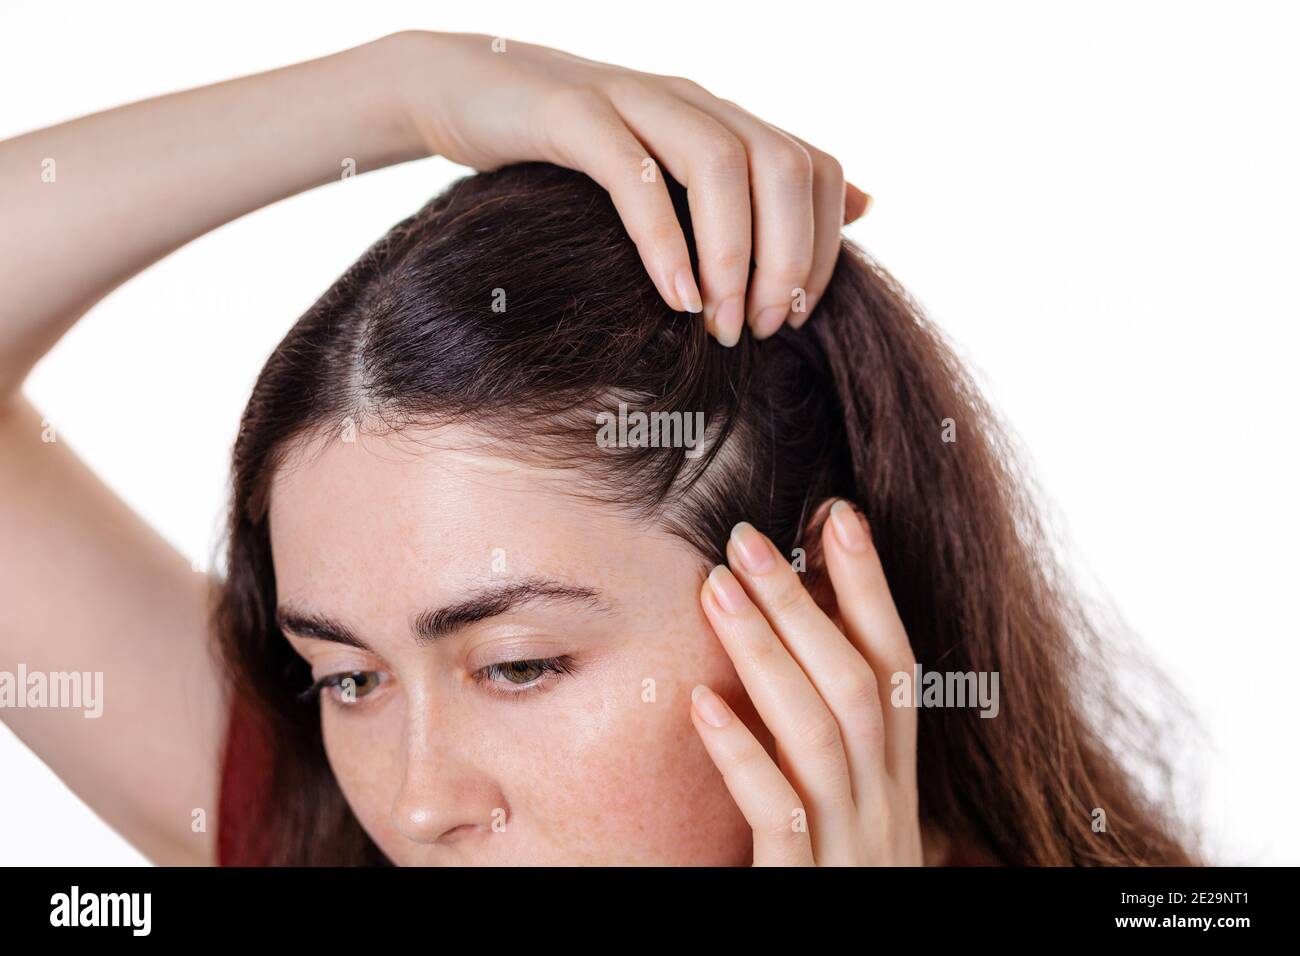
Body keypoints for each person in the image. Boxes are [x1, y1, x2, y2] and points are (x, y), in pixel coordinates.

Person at [0, 31, 1199, 866]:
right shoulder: (319, 830)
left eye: (517, 665)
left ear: (823, 616)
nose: (419, 805)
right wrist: (399, 91)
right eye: (346, 678)